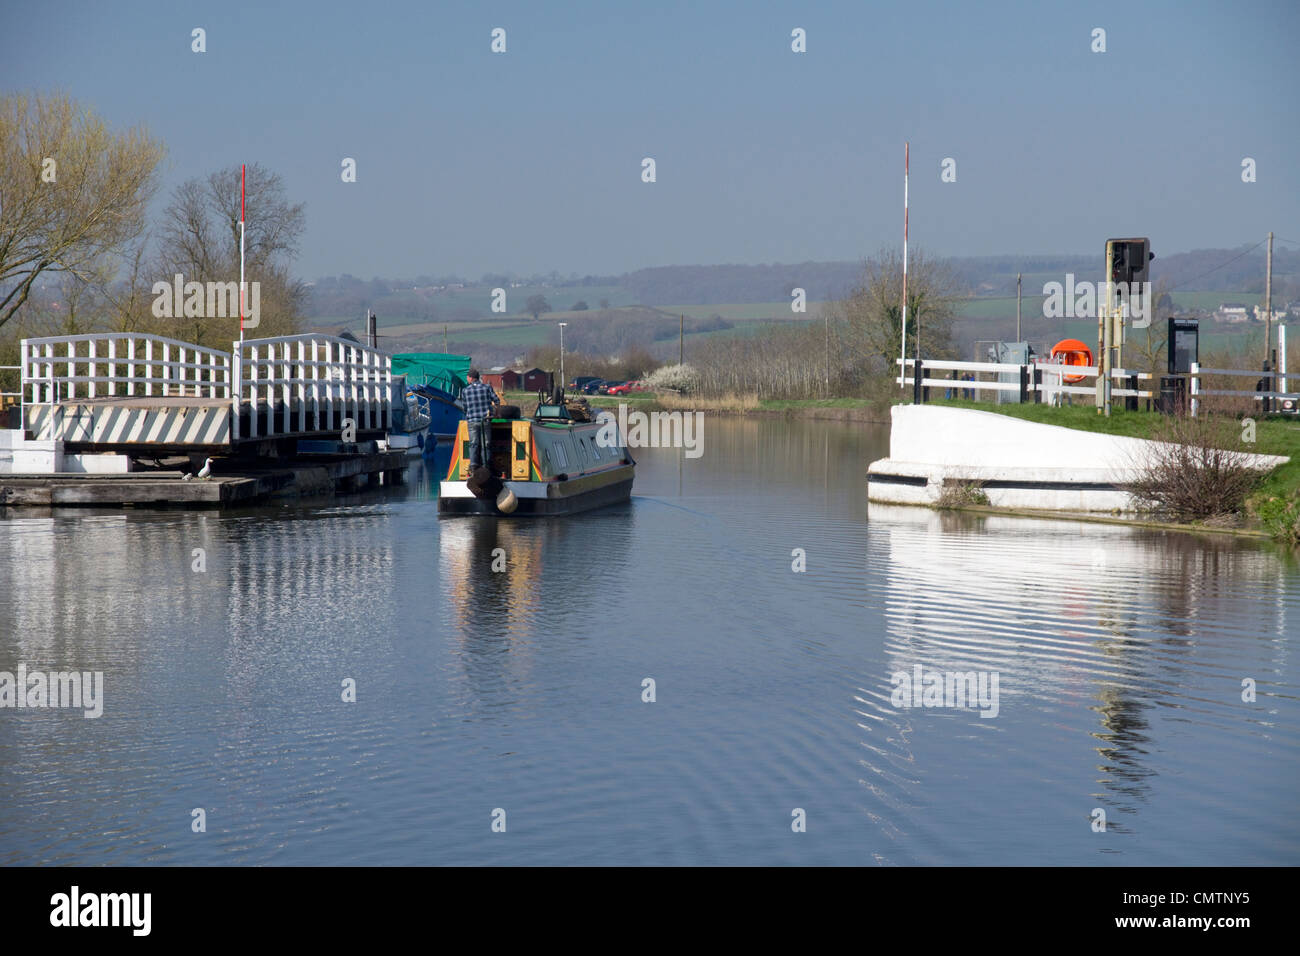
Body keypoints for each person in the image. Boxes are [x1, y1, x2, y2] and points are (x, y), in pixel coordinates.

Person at [458, 369, 500, 471]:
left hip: (472, 421)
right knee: (486, 444)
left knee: (473, 443)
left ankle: (473, 465)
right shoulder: (487, 387)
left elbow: (464, 408)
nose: (467, 379)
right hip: (485, 420)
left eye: (467, 377)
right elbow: (497, 401)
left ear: (471, 378)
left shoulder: (465, 390)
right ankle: (486, 465)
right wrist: (495, 412)